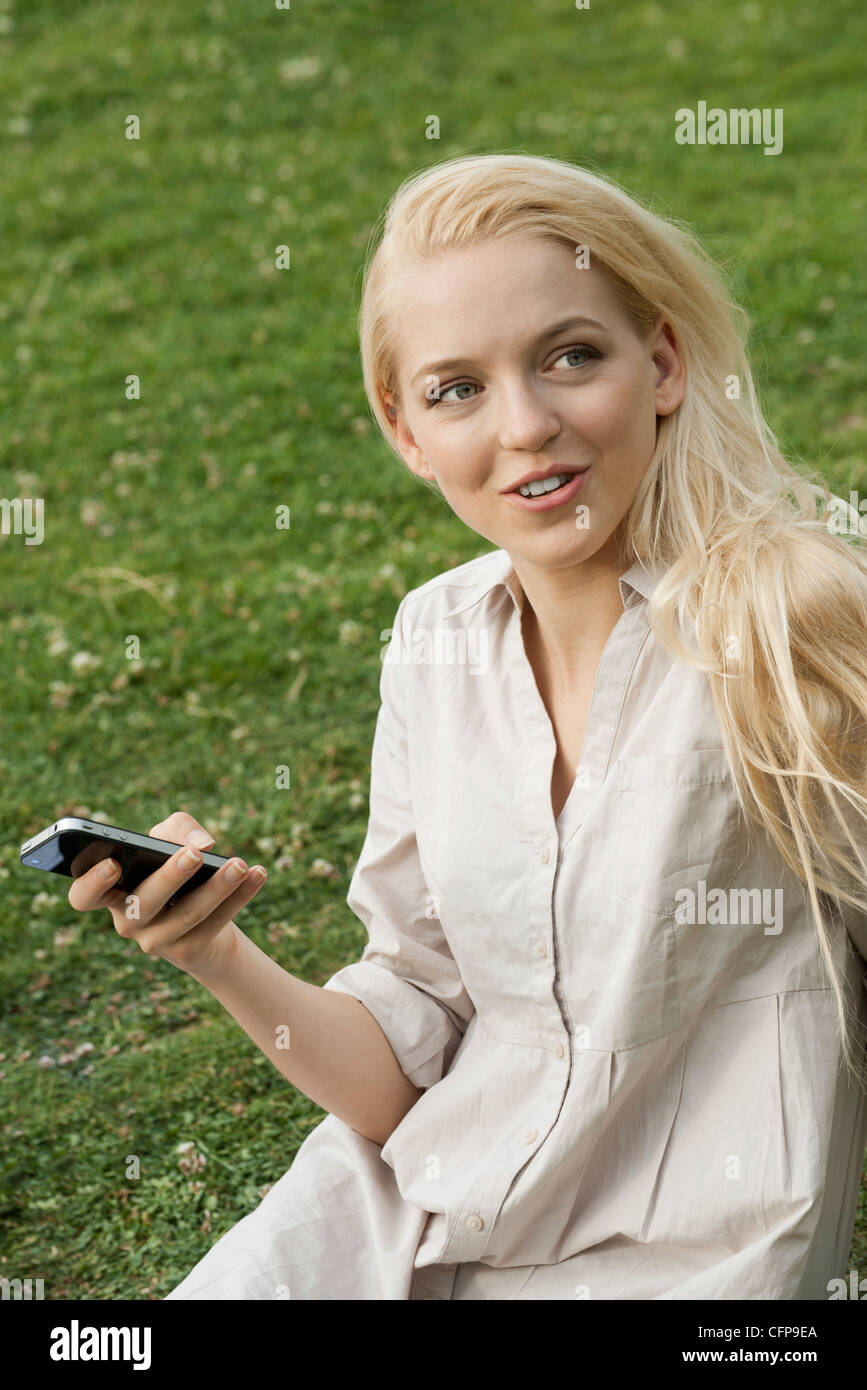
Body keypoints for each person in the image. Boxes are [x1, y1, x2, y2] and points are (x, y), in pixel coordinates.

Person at [70, 153, 867, 1299]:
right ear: (404, 429)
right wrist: (213, 952)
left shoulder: (796, 624)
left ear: (664, 362)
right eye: (458, 389)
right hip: (414, 1201)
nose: (528, 427)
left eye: (571, 356)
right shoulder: (432, 636)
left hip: (687, 1264)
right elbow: (413, 1035)